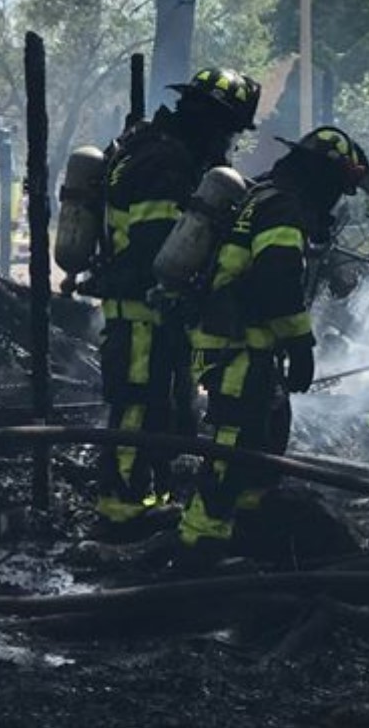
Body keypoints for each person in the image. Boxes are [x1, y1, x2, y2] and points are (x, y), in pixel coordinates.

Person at [174, 126, 369, 568]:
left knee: (267, 434)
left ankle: (244, 532)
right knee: (234, 445)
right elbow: (276, 282)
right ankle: (199, 548)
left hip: (240, 342)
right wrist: (302, 346)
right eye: (338, 187)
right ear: (323, 177)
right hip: (239, 346)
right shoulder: (283, 210)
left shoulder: (264, 195)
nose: (336, 200)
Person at [92, 68, 260, 537]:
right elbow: (154, 244)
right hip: (141, 310)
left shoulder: (147, 144)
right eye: (228, 130)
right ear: (213, 121)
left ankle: (149, 497)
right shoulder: (167, 161)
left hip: (146, 308)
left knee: (157, 406)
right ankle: (120, 507)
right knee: (136, 403)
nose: (228, 142)